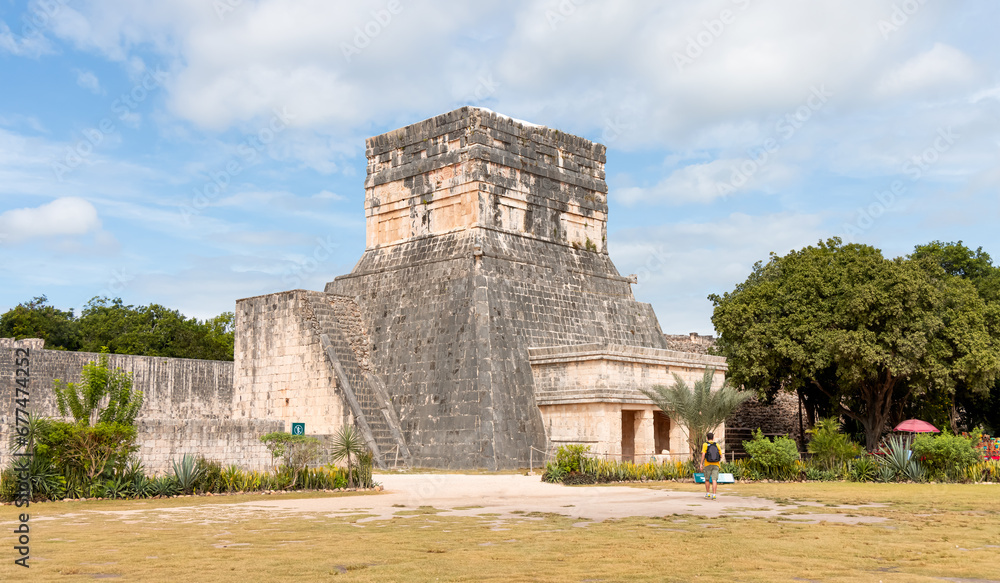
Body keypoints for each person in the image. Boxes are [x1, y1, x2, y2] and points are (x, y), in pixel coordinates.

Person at [700, 432, 723, 500]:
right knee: (714, 480)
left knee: (707, 479)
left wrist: (701, 463)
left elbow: (703, 454)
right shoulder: (717, 445)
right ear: (713, 438)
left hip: (707, 464)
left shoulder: (705, 444)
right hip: (716, 464)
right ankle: (714, 495)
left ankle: (708, 493)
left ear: (707, 438)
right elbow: (721, 455)